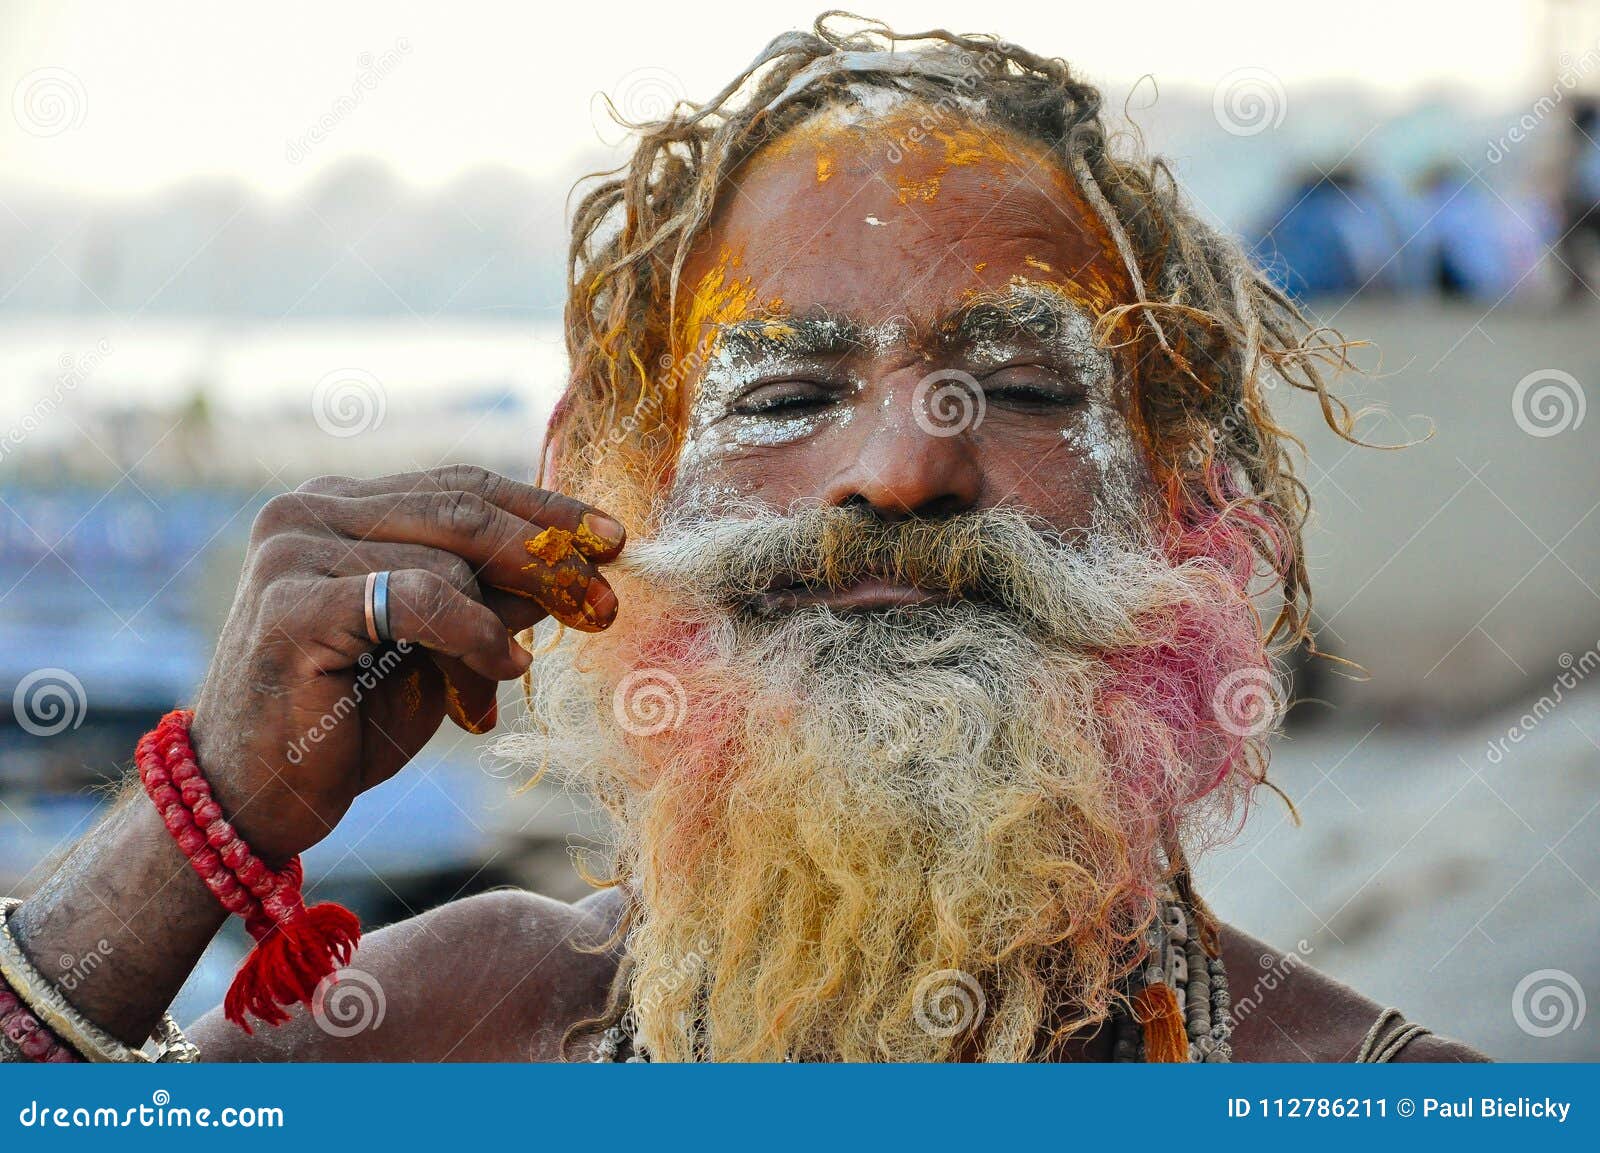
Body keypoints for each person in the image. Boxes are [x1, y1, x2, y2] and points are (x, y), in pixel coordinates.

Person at [1, 15, 1483, 1064]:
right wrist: (202, 819)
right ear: (603, 496)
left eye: (1024, 388)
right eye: (784, 393)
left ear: (1193, 505)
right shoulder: (441, 1032)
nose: (901, 468)